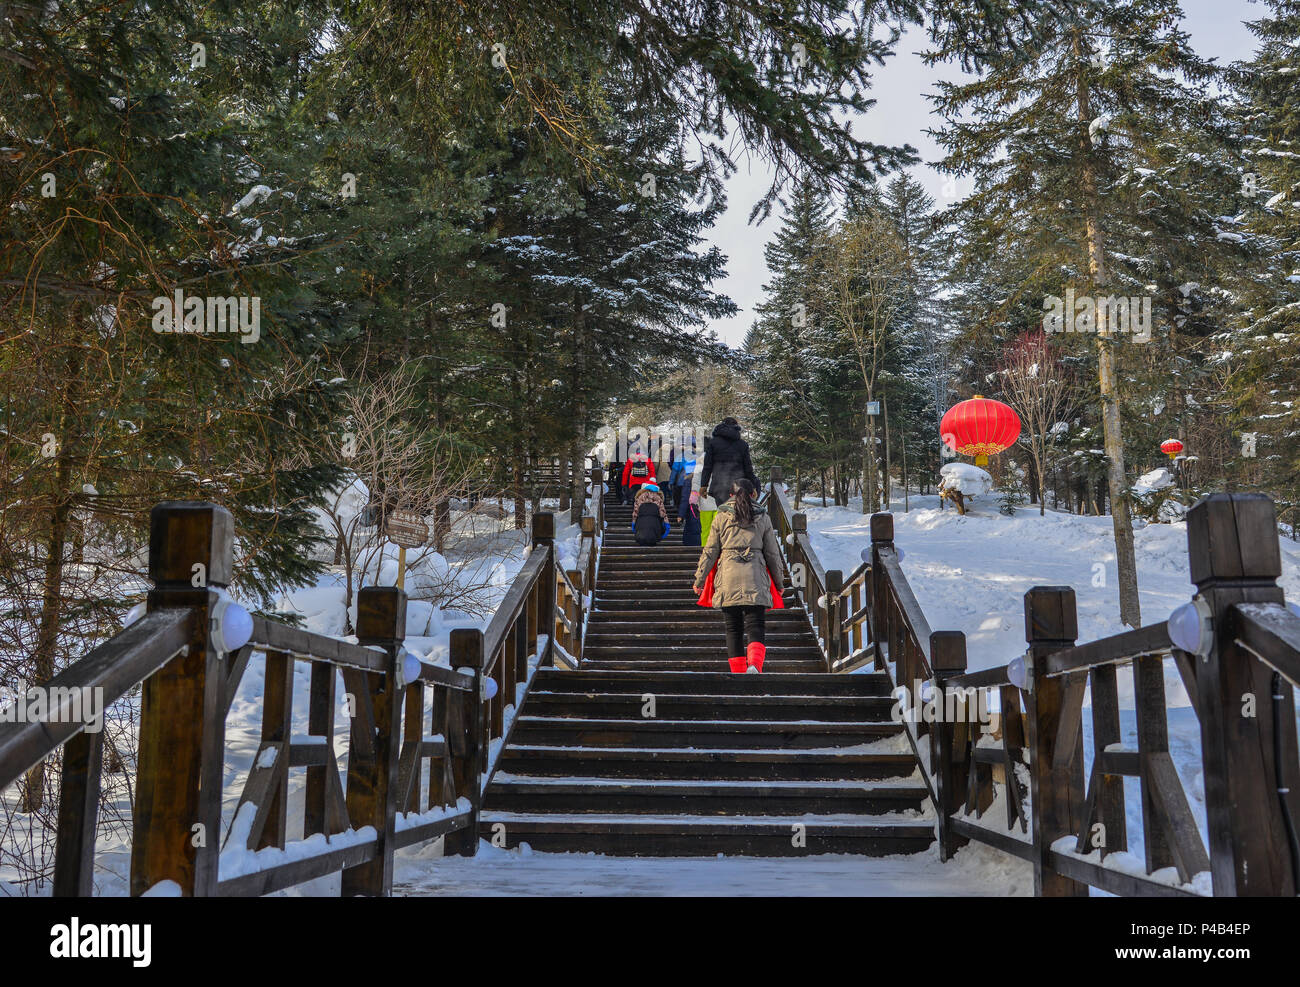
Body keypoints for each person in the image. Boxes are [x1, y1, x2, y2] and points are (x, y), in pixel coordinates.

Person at [692, 479, 786, 673]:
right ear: (754, 494)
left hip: (727, 576)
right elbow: (772, 553)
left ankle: (738, 673)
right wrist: (779, 582)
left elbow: (710, 551)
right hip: (756, 575)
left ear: (731, 496)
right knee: (756, 624)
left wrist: (699, 579)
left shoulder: (721, 517)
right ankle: (754, 666)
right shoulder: (763, 517)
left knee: (733, 628)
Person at [699, 417, 758, 506]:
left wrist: (704, 485)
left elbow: (708, 466)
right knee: (739, 513)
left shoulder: (713, 443)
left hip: (719, 486)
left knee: (723, 513)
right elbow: (748, 468)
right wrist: (753, 486)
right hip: (739, 486)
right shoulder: (743, 445)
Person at [631, 481, 670, 546]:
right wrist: (667, 525)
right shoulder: (658, 498)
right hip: (655, 527)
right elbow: (663, 514)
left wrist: (634, 524)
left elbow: (635, 514)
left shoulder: (640, 497)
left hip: (641, 526)